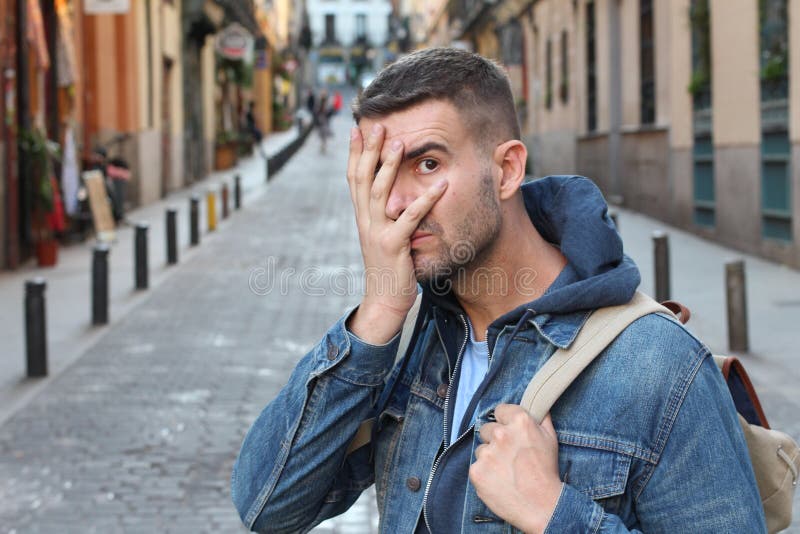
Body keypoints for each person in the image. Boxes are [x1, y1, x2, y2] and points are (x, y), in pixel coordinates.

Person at [232, 48, 765, 533]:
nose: (394, 203)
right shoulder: (412, 346)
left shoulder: (662, 368)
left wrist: (555, 514)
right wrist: (379, 310)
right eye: (378, 172)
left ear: (507, 169)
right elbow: (268, 506)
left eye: (426, 164)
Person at [314, 89, 332, 154]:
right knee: (321, 132)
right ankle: (322, 143)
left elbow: (330, 110)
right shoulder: (319, 101)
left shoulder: (327, 101)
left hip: (325, 119)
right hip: (320, 118)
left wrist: (327, 111)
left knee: (324, 132)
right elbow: (316, 110)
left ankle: (324, 144)